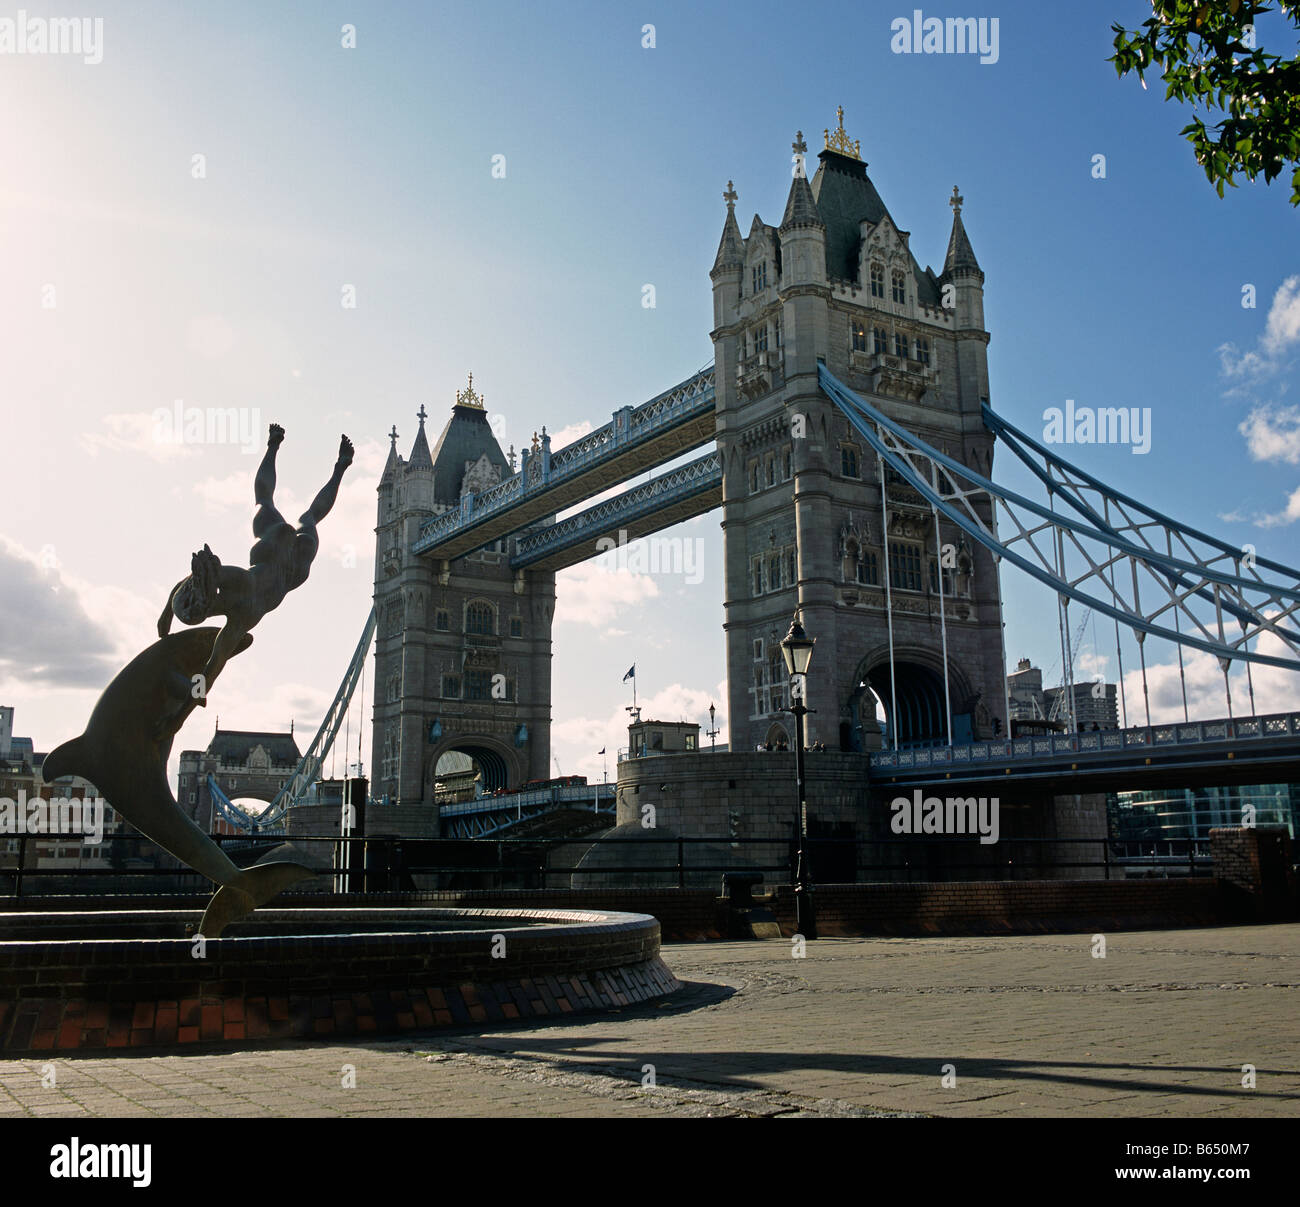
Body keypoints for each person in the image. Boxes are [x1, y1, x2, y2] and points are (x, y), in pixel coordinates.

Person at [158, 424, 353, 713]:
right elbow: (199, 577)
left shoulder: (242, 615)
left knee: (291, 509)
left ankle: (325, 463)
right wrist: (165, 618)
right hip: (288, 558)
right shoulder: (237, 593)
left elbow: (212, 666)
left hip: (283, 557)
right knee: (275, 502)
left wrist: (186, 706)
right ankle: (294, 451)